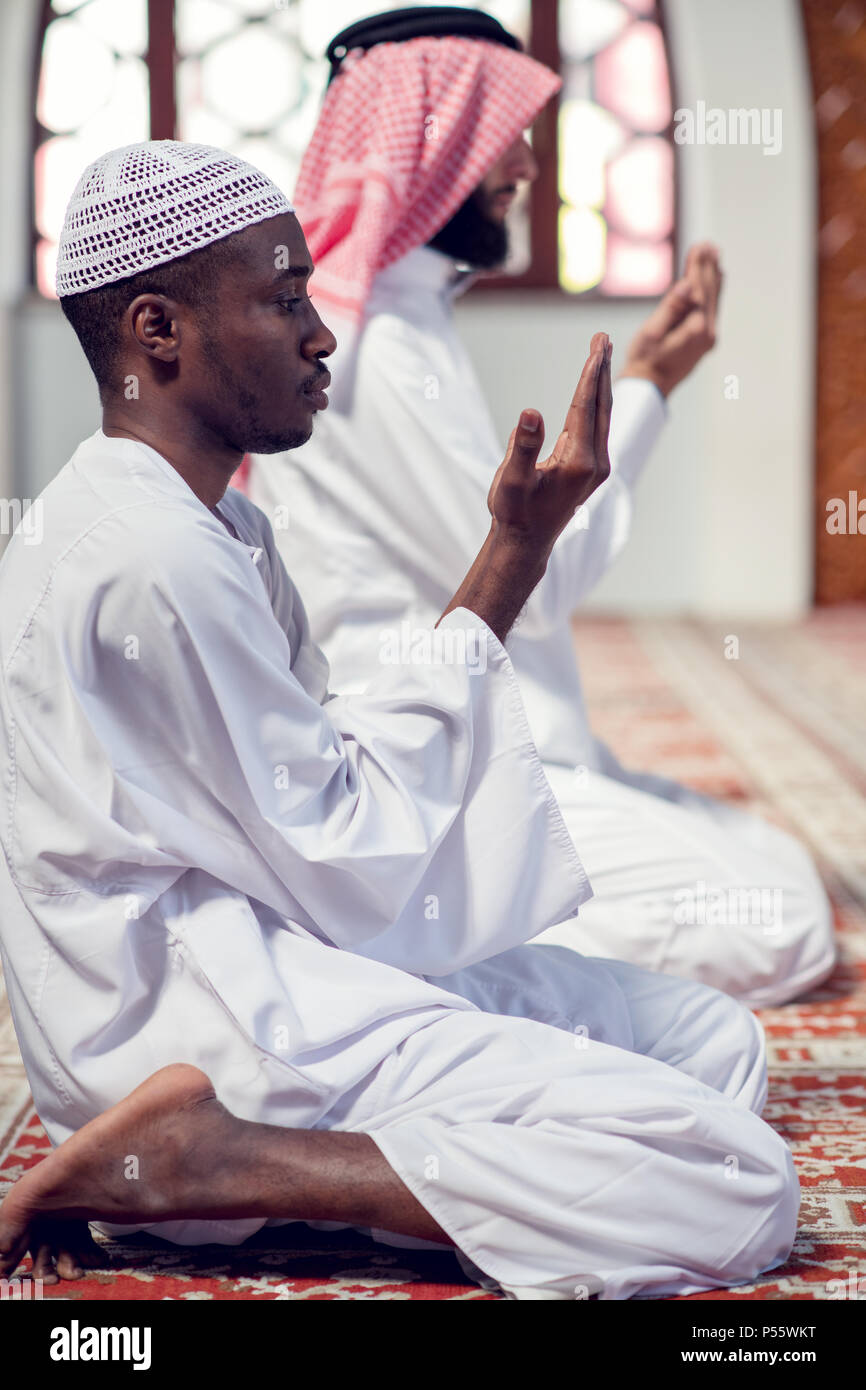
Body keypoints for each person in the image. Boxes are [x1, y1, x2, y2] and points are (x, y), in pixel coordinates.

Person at [0, 137, 797, 1302]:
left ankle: (380, 1178)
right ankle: (214, 1162)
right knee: (734, 1177)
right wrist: (513, 554)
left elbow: (314, 798)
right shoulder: (152, 557)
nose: (320, 334)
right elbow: (344, 848)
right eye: (282, 302)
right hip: (200, 1023)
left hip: (281, 945)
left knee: (714, 1046)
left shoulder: (203, 524)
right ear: (157, 332)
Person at [249, 6, 835, 1007]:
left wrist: (647, 382)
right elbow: (542, 580)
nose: (522, 163)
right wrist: (645, 388)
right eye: (504, 135)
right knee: (778, 928)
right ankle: (399, 938)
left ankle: (447, 914)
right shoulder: (374, 347)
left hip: (508, 742)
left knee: (779, 865)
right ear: (434, 147)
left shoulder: (406, 317)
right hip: (430, 761)